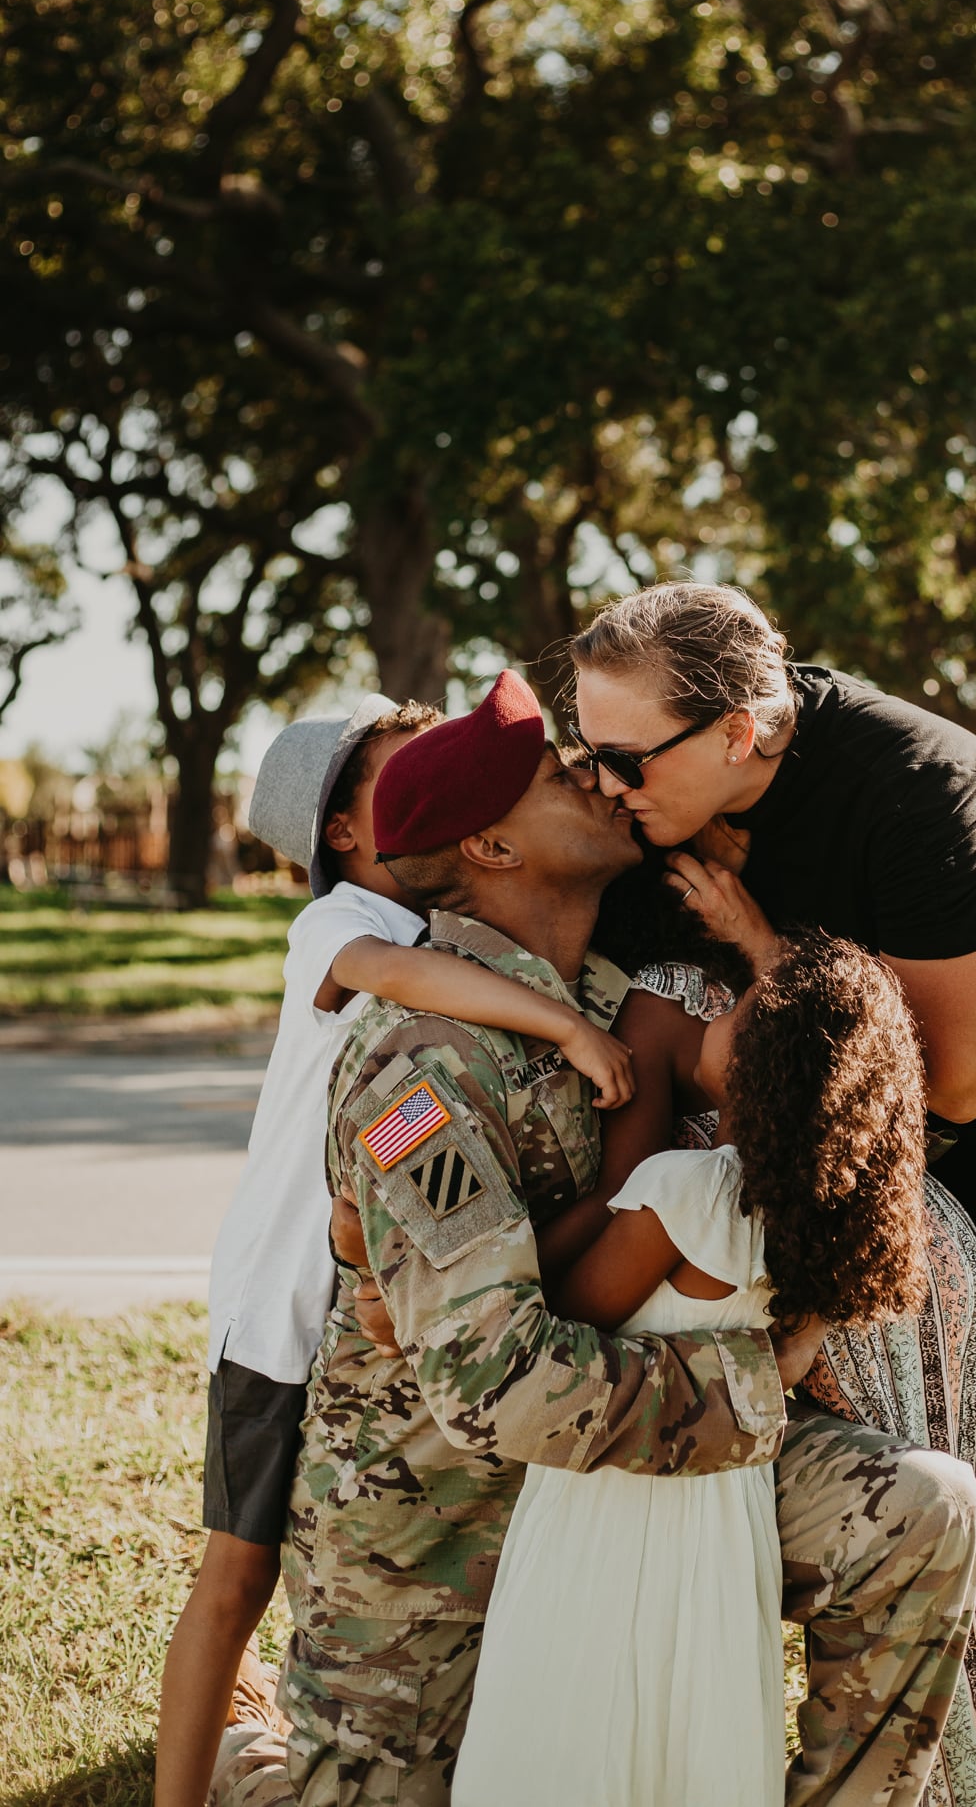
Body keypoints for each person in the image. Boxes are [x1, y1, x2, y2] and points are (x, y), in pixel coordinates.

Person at [209, 669, 976, 1807]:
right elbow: (496, 1388)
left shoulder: (632, 993)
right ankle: (255, 1751)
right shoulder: (416, 1065)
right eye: (550, 769)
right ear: (492, 849)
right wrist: (754, 1387)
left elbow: (834, 1113)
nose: (589, 767)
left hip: (635, 1474)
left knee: (920, 1511)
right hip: (440, 1535)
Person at [569, 581, 976, 1807]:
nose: (603, 785)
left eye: (625, 759)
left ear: (742, 727)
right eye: (583, 754)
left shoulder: (917, 785)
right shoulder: (662, 813)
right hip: (864, 1122)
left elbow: (959, 1076)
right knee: (931, 1441)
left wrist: (767, 950)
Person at [156, 693, 636, 1807]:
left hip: (361, 1289)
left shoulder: (444, 922)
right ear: (339, 833)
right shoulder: (339, 925)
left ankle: (289, 1724)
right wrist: (564, 1025)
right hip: (278, 1300)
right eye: (402, 763)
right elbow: (398, 978)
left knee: (309, 1563)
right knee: (236, 1571)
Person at [453, 931, 937, 1807]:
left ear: (761, 1060)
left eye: (740, 1008)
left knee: (575, 1712)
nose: (717, 1010)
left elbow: (564, 1315)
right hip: (722, 1512)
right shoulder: (811, 1216)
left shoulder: (688, 1191)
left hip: (613, 1497)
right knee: (686, 1720)